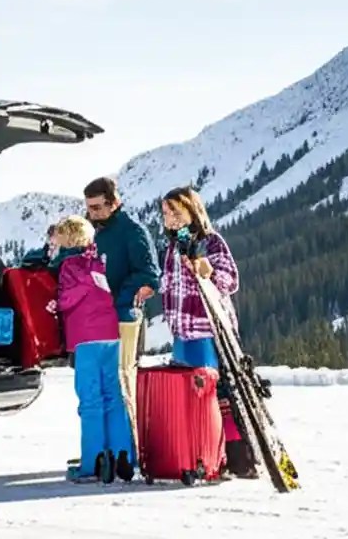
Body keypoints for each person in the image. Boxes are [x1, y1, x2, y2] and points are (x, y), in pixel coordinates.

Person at [158, 185, 256, 479]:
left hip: (207, 331)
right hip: (182, 333)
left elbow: (230, 279)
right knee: (190, 397)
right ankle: (199, 451)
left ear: (192, 210)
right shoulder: (174, 247)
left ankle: (234, 456)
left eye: (176, 211)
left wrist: (208, 270)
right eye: (165, 213)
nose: (170, 218)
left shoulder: (210, 241)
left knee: (216, 394)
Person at [82, 177, 159, 473]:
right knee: (101, 384)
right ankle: (107, 451)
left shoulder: (132, 231)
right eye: (89, 208)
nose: (93, 213)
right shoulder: (95, 233)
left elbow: (148, 275)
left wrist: (117, 300)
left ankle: (133, 451)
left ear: (115, 203)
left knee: (122, 380)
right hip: (96, 322)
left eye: (99, 207)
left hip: (124, 317)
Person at [48, 215, 133, 484]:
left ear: (68, 239)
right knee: (113, 395)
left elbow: (68, 297)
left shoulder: (69, 266)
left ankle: (93, 462)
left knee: (91, 399)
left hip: (85, 337)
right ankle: (122, 456)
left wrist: (55, 304)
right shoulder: (99, 261)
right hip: (110, 333)